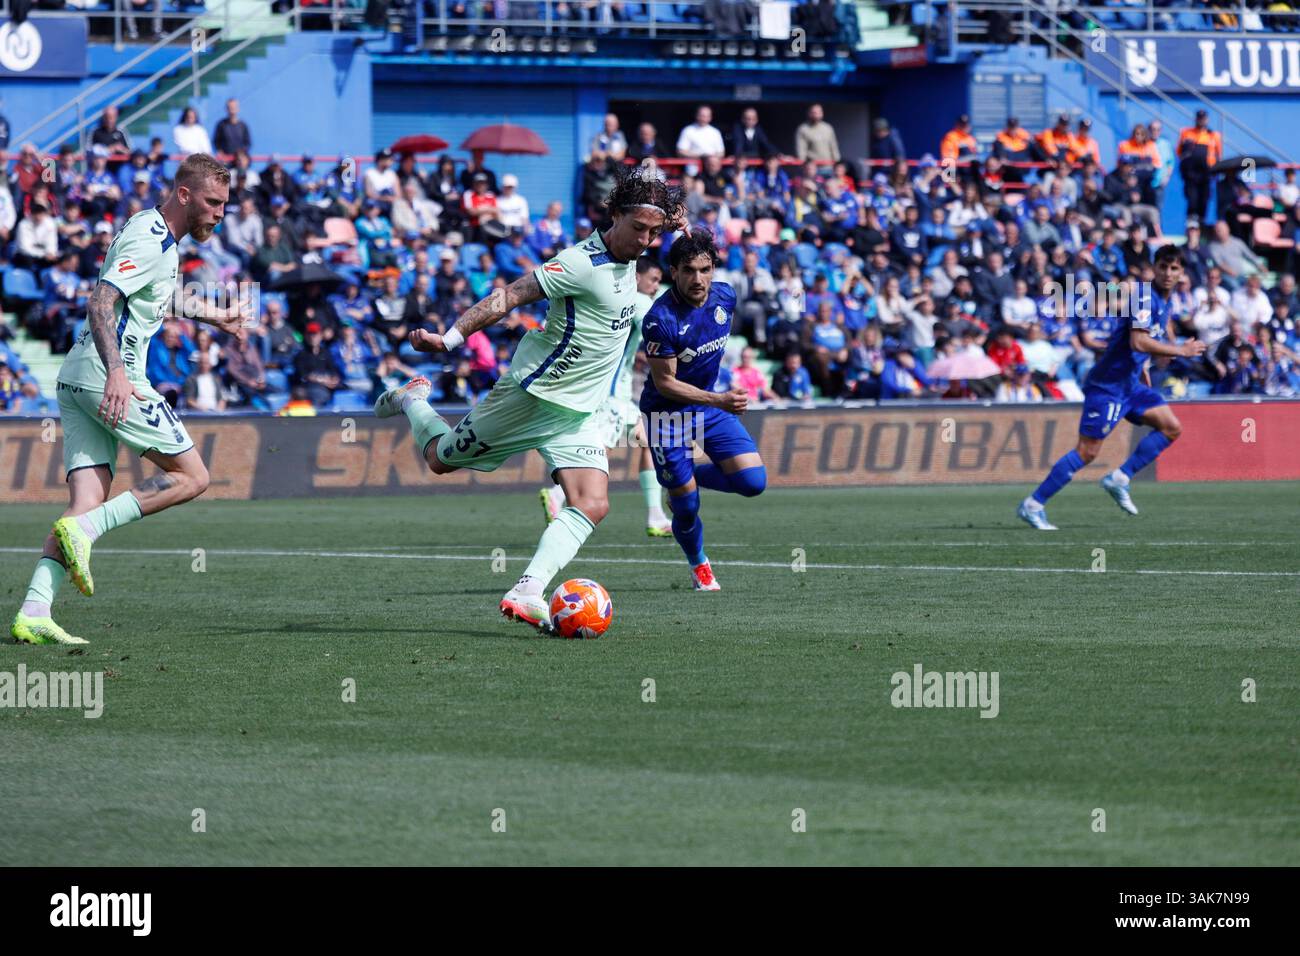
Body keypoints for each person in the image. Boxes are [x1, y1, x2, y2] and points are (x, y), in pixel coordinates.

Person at [370, 167, 686, 632]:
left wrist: (675, 220)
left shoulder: (636, 251)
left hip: (578, 412)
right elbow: (511, 295)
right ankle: (413, 400)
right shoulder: (580, 262)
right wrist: (450, 339)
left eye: (652, 232)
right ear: (613, 216)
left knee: (593, 503)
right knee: (440, 460)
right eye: (637, 228)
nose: (644, 240)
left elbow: (667, 219)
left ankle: (527, 590)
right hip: (531, 397)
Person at [10, 155, 248, 646]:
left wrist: (217, 316)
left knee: (85, 502)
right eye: (213, 202)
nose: (220, 212)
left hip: (78, 376)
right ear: (184, 195)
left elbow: (161, 297)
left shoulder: (155, 234)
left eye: (225, 204)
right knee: (193, 476)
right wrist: (118, 373)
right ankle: (88, 532)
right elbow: (100, 301)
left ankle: (34, 609)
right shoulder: (151, 237)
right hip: (109, 375)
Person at [1018, 246, 1208, 531]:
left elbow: (1141, 346)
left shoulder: (1166, 302)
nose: (1168, 273)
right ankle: (1033, 505)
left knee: (1171, 427)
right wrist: (1180, 350)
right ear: (1153, 268)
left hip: (1130, 384)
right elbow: (1138, 342)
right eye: (1163, 267)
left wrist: (1144, 366)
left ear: (1182, 273)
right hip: (1108, 386)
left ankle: (1120, 478)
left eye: (1174, 269)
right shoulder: (1144, 296)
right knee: (1087, 452)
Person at [639, 232, 767, 591]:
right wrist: (719, 400)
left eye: (705, 269)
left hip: (708, 406)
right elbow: (666, 384)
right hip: (667, 415)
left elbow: (698, 245)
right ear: (673, 272)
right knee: (686, 507)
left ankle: (683, 477)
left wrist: (685, 227)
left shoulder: (725, 295)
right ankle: (699, 565)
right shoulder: (659, 318)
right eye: (690, 271)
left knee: (753, 483)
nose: (699, 279)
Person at [540, 256, 672, 538]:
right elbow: (658, 326)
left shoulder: (617, 299)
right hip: (611, 395)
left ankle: (656, 516)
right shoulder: (639, 301)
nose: (656, 287)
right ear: (637, 278)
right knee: (598, 453)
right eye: (654, 280)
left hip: (612, 392)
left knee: (646, 441)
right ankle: (557, 495)